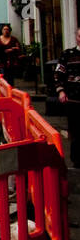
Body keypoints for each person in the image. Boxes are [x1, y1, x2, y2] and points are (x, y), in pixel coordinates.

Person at [54, 27, 80, 169]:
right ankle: (77, 161)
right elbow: (58, 74)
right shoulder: (68, 55)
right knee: (76, 131)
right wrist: (61, 91)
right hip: (74, 101)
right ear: (76, 37)